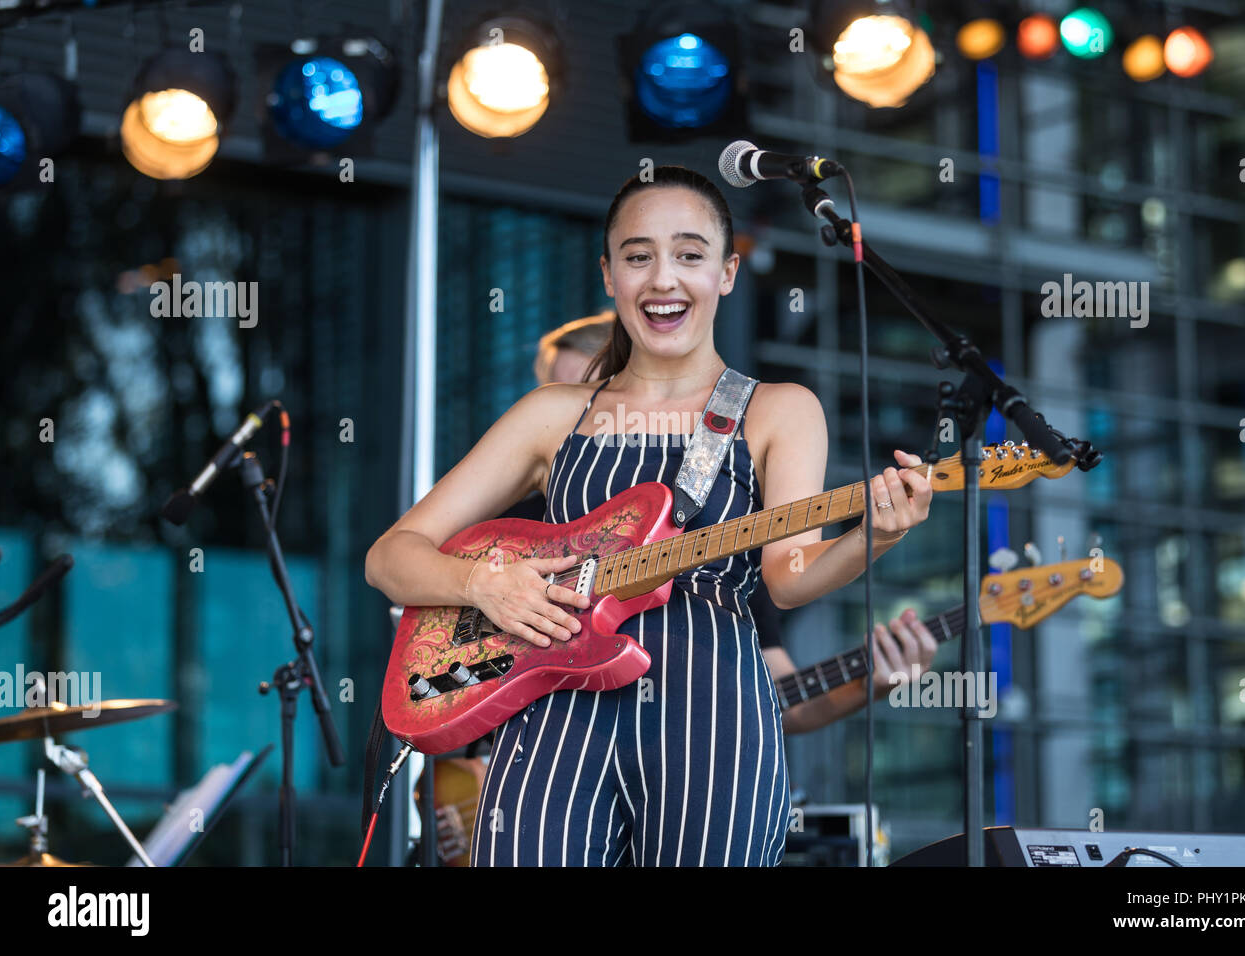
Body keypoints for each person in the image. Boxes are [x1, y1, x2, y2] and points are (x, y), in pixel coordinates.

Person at [364, 165, 933, 866]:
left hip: (716, 720)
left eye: (690, 255)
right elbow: (390, 557)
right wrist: (482, 585)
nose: (664, 279)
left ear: (726, 273)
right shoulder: (552, 415)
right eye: (640, 257)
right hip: (555, 715)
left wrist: (875, 538)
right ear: (610, 276)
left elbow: (787, 579)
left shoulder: (781, 409)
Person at [531, 314, 940, 735]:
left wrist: (869, 687)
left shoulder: (721, 528)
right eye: (566, 395)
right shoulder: (519, 526)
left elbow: (781, 700)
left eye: (591, 388)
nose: (585, 410)